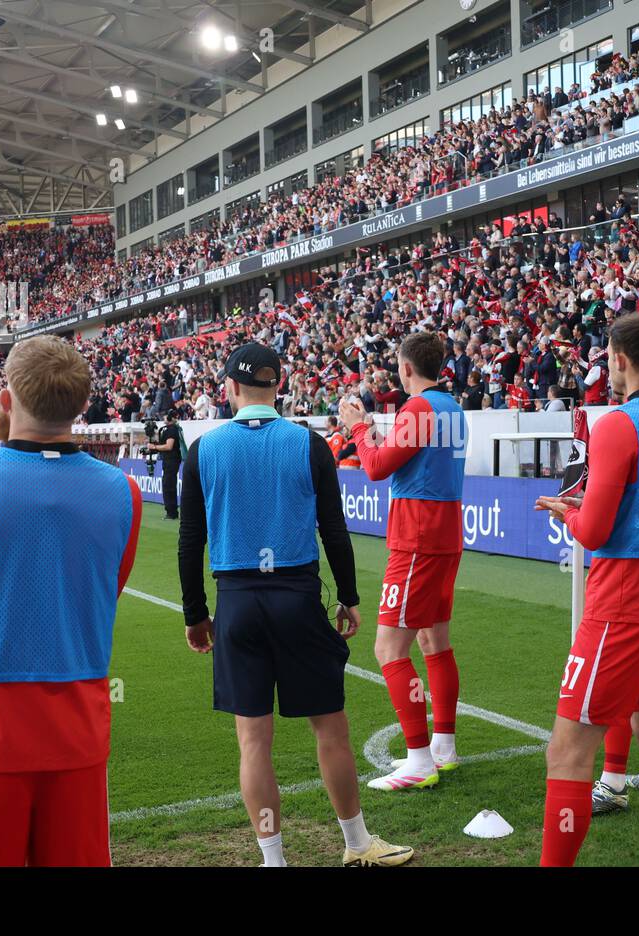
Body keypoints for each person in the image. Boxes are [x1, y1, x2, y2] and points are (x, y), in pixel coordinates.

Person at [177, 342, 413, 867]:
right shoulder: (309, 445)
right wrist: (349, 597)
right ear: (278, 385)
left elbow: (189, 541)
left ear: (229, 389)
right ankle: (356, 844)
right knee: (331, 728)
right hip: (298, 598)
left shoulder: (203, 450)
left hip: (236, 602)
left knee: (253, 742)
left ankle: (274, 859)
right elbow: (334, 529)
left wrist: (195, 613)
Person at [0, 335, 143, 866]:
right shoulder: (123, 493)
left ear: (5, 400)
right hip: (77, 734)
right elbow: (101, 589)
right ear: (82, 406)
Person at [533, 316, 639, 866]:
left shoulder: (616, 425)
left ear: (621, 359)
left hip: (622, 602)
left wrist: (569, 514)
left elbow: (598, 531)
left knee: (566, 751)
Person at [339, 332, 468, 791]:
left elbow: (375, 468)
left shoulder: (421, 408)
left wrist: (357, 428)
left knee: (389, 649)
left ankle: (418, 759)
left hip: (418, 537)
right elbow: (402, 458)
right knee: (435, 642)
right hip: (445, 531)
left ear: (406, 368)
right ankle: (443, 746)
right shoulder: (451, 407)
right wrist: (372, 432)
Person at [147, 409, 182, 519]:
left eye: (165, 416)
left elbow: (169, 446)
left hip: (172, 460)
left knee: (169, 485)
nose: (163, 418)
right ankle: (171, 512)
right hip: (168, 460)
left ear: (170, 418)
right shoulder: (166, 429)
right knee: (167, 485)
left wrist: (155, 447)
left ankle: (171, 513)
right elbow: (162, 444)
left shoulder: (172, 430)